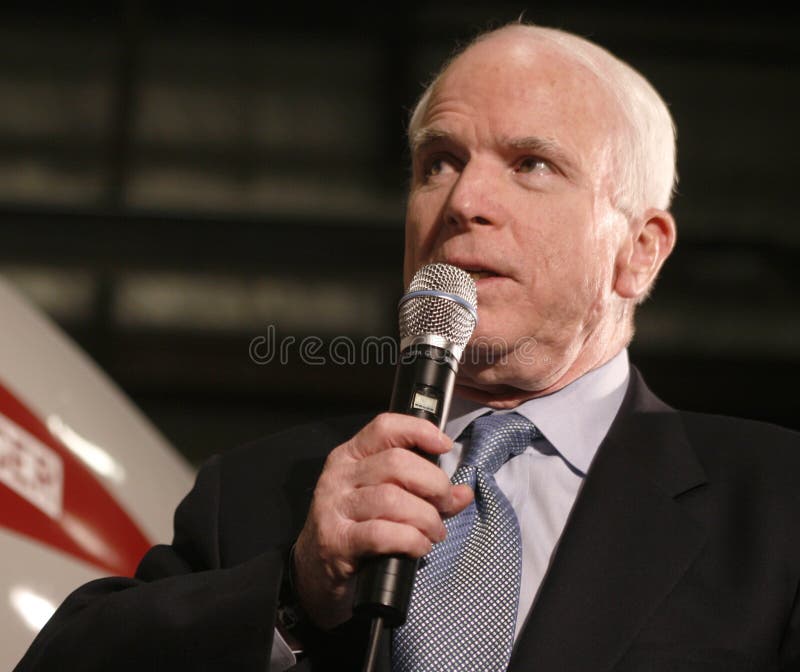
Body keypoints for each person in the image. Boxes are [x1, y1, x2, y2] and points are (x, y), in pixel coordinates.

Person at [15, 21, 800, 672]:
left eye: (531, 164)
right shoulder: (259, 493)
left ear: (640, 251)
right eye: (439, 163)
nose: (463, 202)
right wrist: (292, 591)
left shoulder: (776, 504)